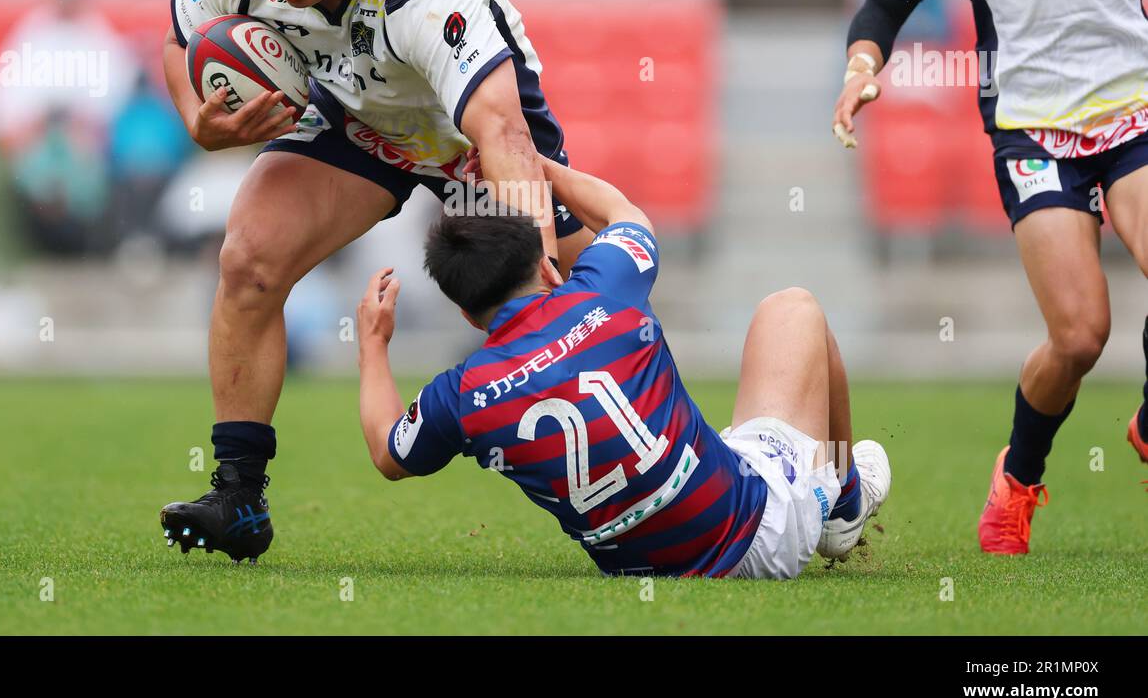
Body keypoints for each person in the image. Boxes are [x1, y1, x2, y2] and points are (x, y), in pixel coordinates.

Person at [158, 0, 592, 563]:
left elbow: (501, 131)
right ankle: (238, 497)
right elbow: (178, 38)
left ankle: (668, 476)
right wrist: (198, 121)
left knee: (590, 309)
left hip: (471, 140)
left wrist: (538, 262)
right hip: (360, 120)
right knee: (248, 259)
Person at [832, 0, 1148, 554]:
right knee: (1079, 336)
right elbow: (885, 1)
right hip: (1033, 130)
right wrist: (860, 69)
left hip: (1136, 111)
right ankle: (1020, 475)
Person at [352, 156, 891, 579]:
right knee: (794, 308)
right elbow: (622, 212)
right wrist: (540, 167)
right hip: (760, 531)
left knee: (726, 445)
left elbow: (387, 453)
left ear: (468, 315)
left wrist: (374, 343)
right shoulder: (604, 288)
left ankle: (809, 488)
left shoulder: (462, 394)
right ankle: (842, 507)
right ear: (547, 265)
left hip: (645, 566)